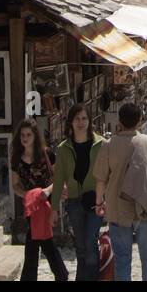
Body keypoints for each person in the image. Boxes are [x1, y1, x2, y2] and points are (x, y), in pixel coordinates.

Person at [92, 101, 147, 281]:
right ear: (140, 120)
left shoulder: (109, 145)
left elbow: (101, 180)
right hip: (146, 206)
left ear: (119, 120)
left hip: (118, 207)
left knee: (122, 260)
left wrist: (99, 203)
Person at [52, 103, 105, 281]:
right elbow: (58, 179)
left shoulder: (101, 144)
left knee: (90, 242)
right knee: (81, 247)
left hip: (95, 201)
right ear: (71, 122)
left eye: (84, 118)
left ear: (89, 121)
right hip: (74, 202)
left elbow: (109, 174)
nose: (81, 122)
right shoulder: (63, 149)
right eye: (77, 119)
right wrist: (54, 209)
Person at [11, 119, 68, 282]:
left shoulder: (47, 154)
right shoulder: (16, 158)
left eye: (28, 135)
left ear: (35, 136)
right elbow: (15, 184)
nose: (25, 138)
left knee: (37, 238)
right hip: (31, 204)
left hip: (46, 201)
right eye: (22, 135)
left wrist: (45, 191)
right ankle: (61, 274)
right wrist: (28, 195)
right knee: (41, 238)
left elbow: (59, 179)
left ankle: (50, 275)